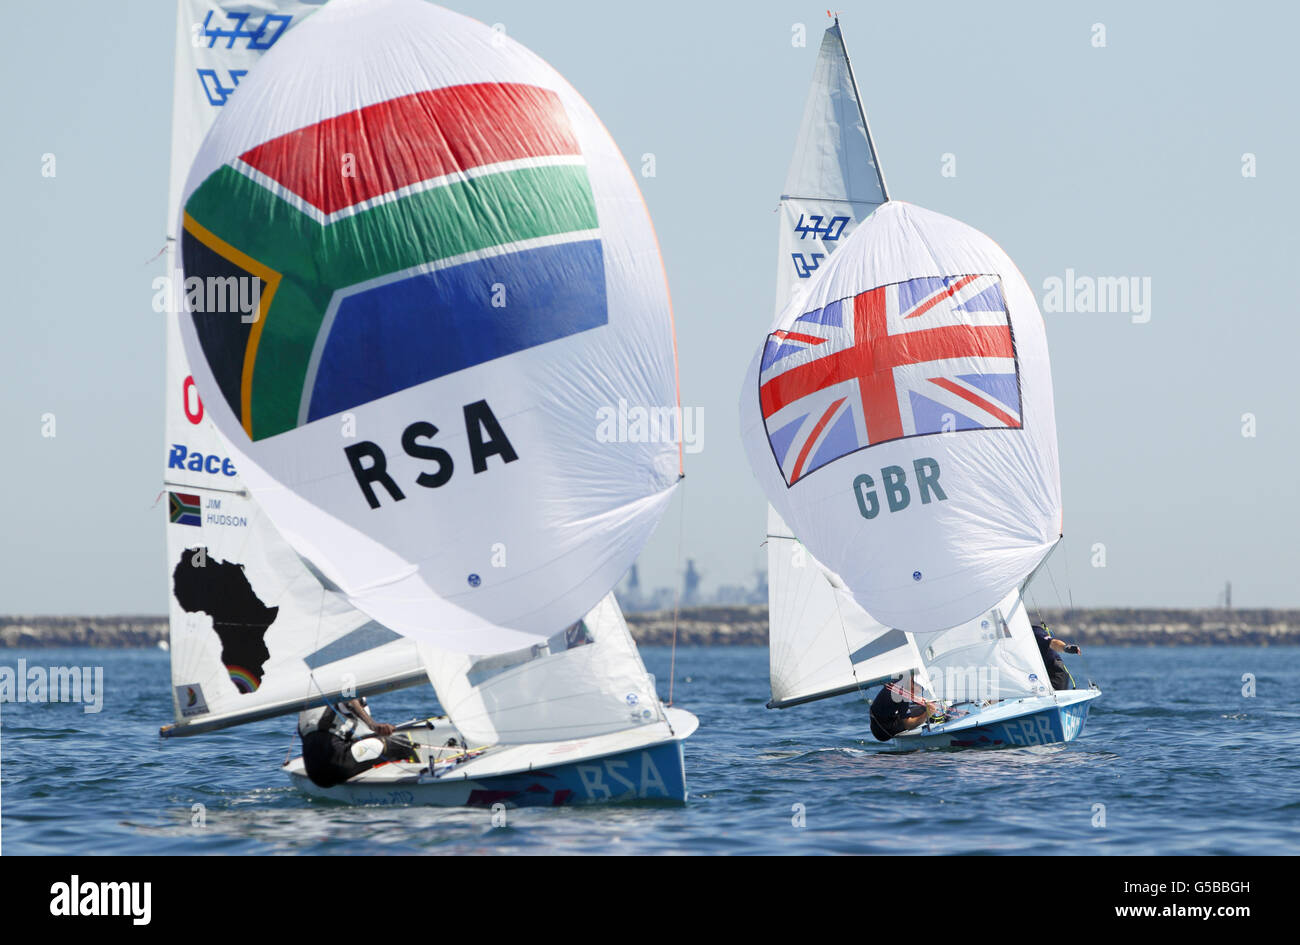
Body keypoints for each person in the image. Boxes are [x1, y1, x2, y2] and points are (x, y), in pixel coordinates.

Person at [296, 697, 419, 788]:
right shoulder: (338, 689)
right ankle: (418, 779)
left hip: (314, 773)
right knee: (402, 742)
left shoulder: (308, 705)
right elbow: (349, 700)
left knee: (374, 744)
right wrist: (373, 725)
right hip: (337, 764)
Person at [869, 677, 937, 741]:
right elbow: (908, 725)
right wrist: (927, 715)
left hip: (877, 724)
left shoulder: (900, 682)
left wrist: (918, 700)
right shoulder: (902, 696)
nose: (920, 691)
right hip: (883, 732)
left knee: (921, 707)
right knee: (923, 710)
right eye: (921, 688)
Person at [1031, 623, 1082, 691]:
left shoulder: (1035, 632)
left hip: (1055, 672)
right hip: (1036, 675)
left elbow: (1053, 642)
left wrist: (1065, 648)